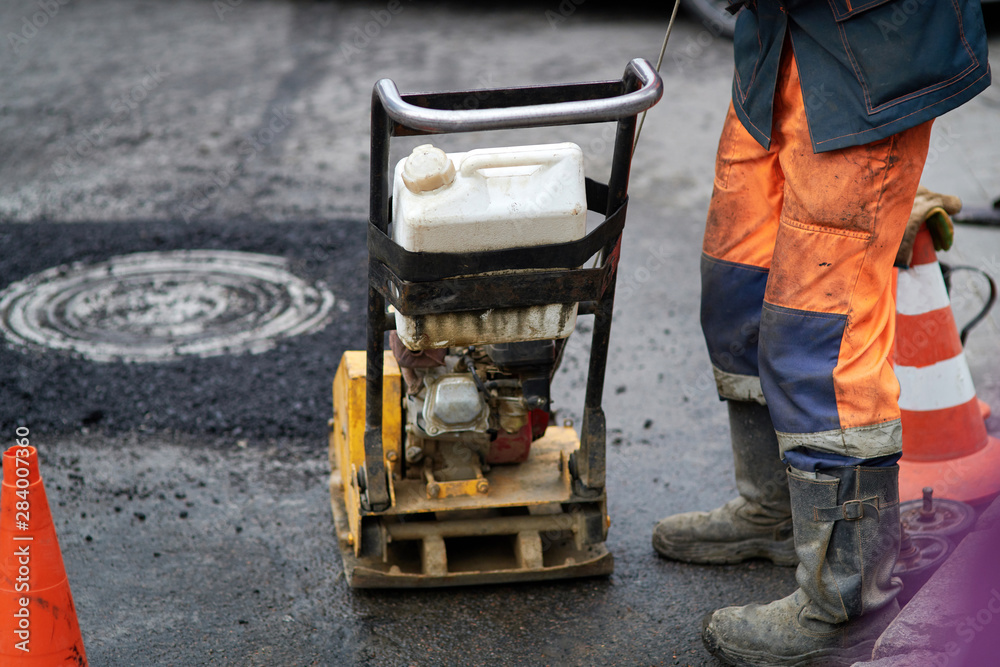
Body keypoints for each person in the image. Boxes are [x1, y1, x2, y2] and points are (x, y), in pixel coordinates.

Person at [652, 2, 991, 664]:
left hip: (869, 56)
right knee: (738, 284)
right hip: (779, 46)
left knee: (820, 336)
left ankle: (846, 600)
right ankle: (776, 509)